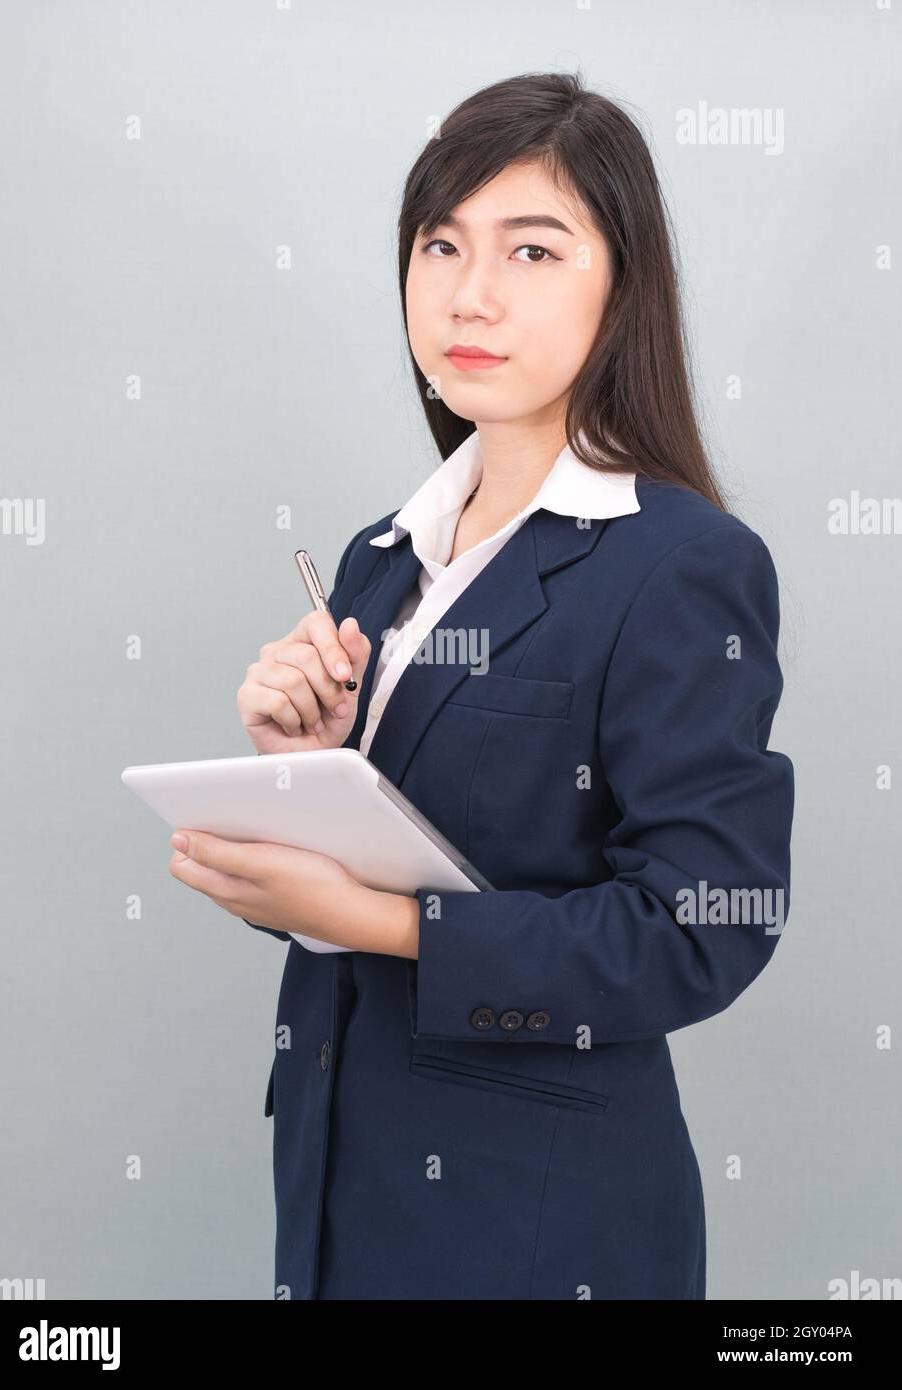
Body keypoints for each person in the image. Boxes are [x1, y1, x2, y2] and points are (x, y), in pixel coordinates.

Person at [169, 71, 794, 1300]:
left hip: (539, 1222)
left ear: (623, 286)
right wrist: (303, 758)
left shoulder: (683, 564)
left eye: (534, 250)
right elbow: (368, 862)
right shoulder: (381, 555)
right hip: (342, 1187)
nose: (471, 292)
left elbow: (703, 923)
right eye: (441, 243)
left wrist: (390, 925)